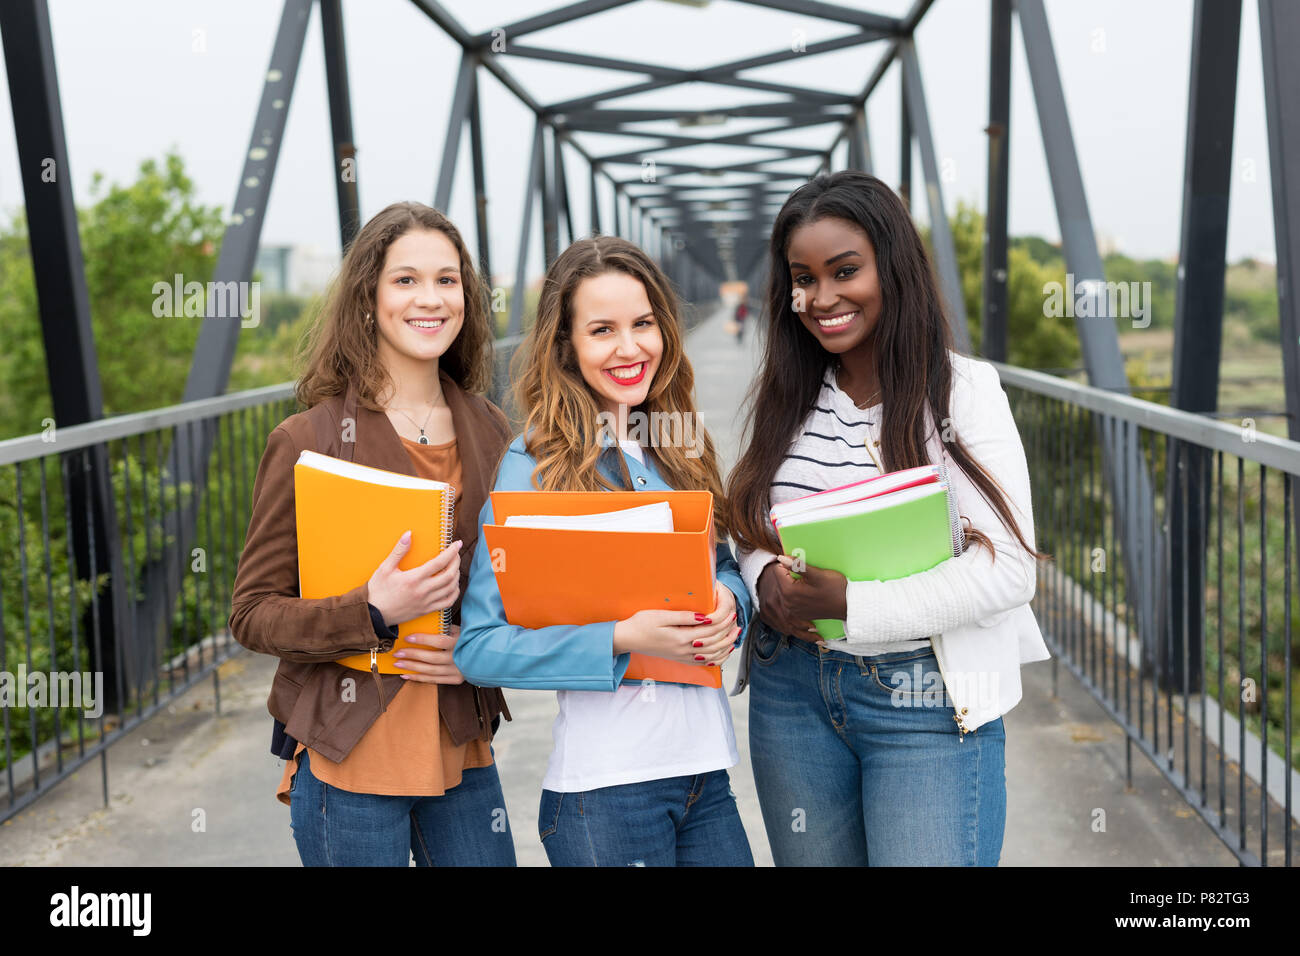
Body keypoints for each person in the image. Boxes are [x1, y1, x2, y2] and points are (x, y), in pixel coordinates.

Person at [726, 170, 1049, 867]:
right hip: (791, 692)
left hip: (924, 699)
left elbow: (1011, 570)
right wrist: (761, 580)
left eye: (846, 271)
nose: (822, 298)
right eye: (802, 278)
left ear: (893, 269)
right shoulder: (790, 392)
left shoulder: (962, 392)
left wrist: (852, 604)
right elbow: (747, 514)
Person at [228, 201, 515, 866]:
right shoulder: (311, 440)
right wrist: (373, 612)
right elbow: (252, 614)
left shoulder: (491, 429)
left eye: (448, 280)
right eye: (406, 280)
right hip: (349, 753)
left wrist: (479, 649)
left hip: (461, 742)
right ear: (368, 298)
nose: (431, 299)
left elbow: (512, 588)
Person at [456, 235, 754, 867]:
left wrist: (733, 600)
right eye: (602, 330)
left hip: (707, 777)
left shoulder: (679, 445)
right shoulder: (532, 466)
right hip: (608, 794)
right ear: (566, 346)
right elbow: (480, 647)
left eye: (643, 323)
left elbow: (722, 565)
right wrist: (621, 636)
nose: (630, 348)